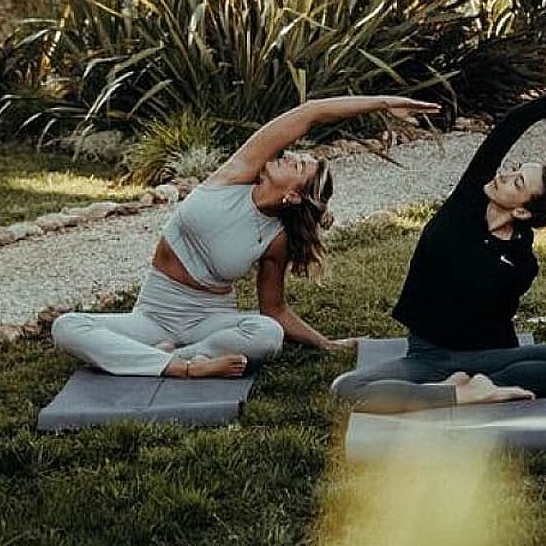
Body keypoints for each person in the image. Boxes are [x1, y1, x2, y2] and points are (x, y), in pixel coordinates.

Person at [51, 95, 439, 378]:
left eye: (300, 165)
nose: (292, 155)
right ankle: (179, 365)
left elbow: (275, 311)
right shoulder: (236, 174)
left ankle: (174, 357)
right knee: (66, 326)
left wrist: (325, 343)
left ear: (293, 195)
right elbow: (309, 112)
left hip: (209, 321)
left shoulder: (276, 238)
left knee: (266, 335)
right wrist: (383, 104)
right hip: (153, 314)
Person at [330, 80, 546, 412]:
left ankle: (476, 387)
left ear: (520, 211)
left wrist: (501, 364)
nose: (505, 175)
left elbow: (498, 324)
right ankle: (464, 394)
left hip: (485, 359)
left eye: (517, 181)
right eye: (514, 170)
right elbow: (513, 123)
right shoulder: (465, 204)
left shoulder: (521, 260)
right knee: (348, 387)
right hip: (428, 356)